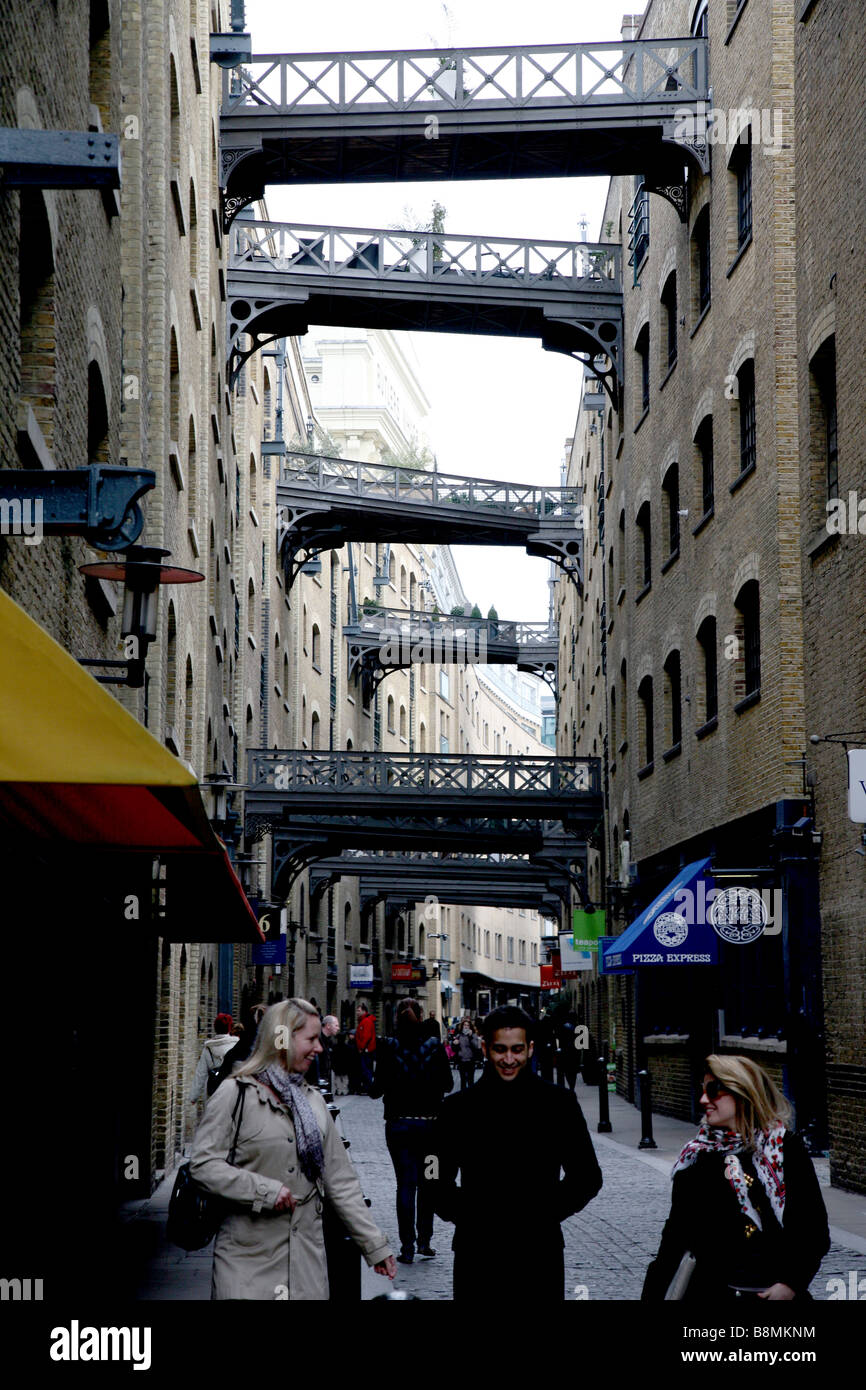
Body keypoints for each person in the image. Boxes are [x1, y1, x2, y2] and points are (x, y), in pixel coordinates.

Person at [189, 997, 396, 1300]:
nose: (320, 1048)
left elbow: (340, 1180)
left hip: (306, 1271)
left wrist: (374, 1245)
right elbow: (204, 1165)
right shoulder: (235, 1094)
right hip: (247, 1268)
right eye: (311, 1039)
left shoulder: (312, 1102)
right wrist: (264, 1191)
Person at [431, 1005, 603, 1301]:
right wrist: (469, 1214)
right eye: (500, 1049)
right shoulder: (457, 1109)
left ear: (530, 1048)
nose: (509, 1059)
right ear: (485, 1048)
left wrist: (544, 1212)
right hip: (478, 1254)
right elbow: (431, 1174)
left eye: (517, 1050)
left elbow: (587, 1175)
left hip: (538, 1253)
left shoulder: (558, 1104)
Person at [642, 1055, 830, 1301]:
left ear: (743, 1093)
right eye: (702, 1091)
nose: (703, 1100)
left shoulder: (784, 1148)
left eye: (714, 1091)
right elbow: (674, 1240)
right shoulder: (697, 1156)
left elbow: (812, 1230)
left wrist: (790, 1284)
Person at [370, 998, 454, 1264]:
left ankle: (407, 1245)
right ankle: (425, 1241)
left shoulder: (388, 1047)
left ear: (396, 1018)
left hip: (399, 1126)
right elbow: (449, 1085)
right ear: (421, 1016)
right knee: (428, 1184)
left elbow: (376, 1090)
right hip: (431, 1128)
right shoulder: (435, 1047)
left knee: (405, 1185)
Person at [189, 1013, 239, 1102]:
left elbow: (201, 1073)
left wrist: (194, 1096)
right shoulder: (236, 1045)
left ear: (215, 1028)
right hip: (231, 1091)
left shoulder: (208, 1048)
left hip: (212, 1091)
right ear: (229, 1028)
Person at [455, 1017, 482, 1091]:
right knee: (463, 1081)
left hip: (470, 1060)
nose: (466, 1026)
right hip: (462, 1060)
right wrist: (454, 1044)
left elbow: (477, 1046)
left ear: (470, 1027)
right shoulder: (459, 1035)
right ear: (462, 1026)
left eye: (467, 1025)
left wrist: (471, 1037)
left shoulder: (473, 1035)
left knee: (470, 1081)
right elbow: (454, 1048)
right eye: (464, 1025)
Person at [355, 1000, 376, 1093]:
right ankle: (367, 1086)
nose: (357, 1013)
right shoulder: (363, 1021)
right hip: (365, 1050)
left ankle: (368, 1087)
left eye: (359, 1011)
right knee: (366, 1069)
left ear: (364, 1011)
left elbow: (366, 1036)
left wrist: (361, 1048)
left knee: (366, 1069)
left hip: (366, 1050)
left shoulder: (366, 1021)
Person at [331, 1030, 351, 1096]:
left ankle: (339, 1090)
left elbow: (333, 1057)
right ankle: (344, 1090)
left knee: (337, 1078)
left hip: (337, 1065)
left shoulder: (335, 1047)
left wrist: (332, 1065)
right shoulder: (347, 1047)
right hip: (345, 1065)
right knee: (345, 1078)